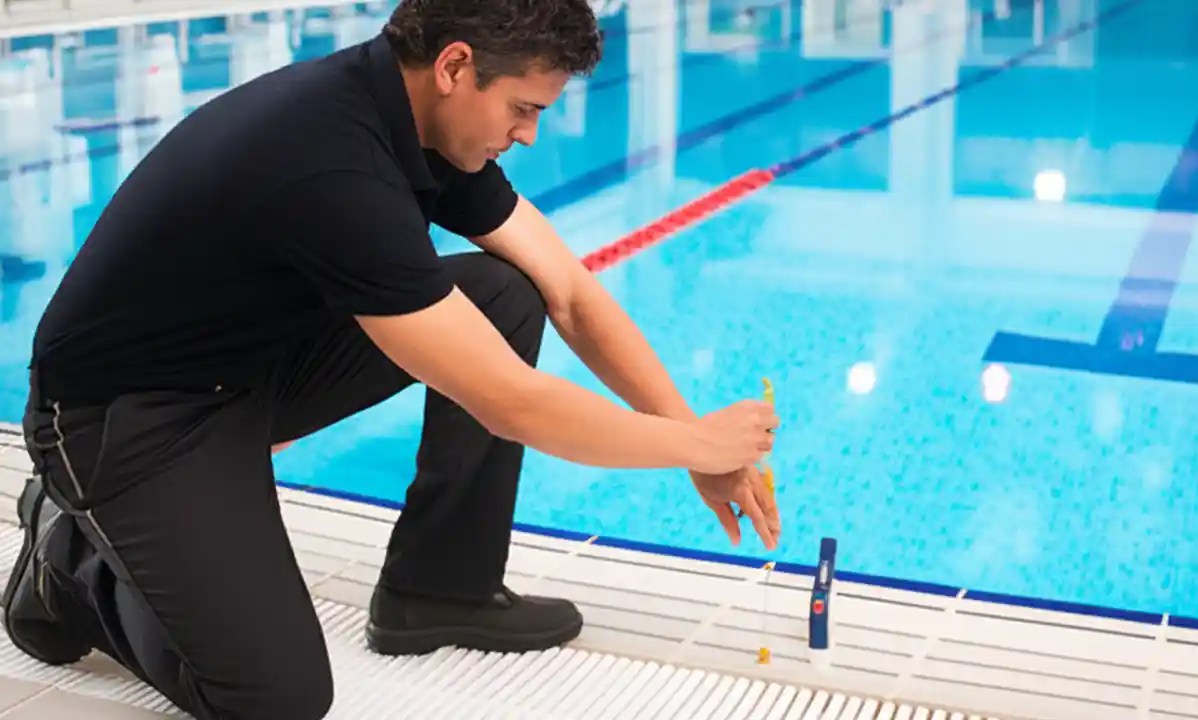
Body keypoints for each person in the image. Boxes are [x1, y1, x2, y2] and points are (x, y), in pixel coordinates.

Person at [3, 0, 781, 718]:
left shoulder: (414, 120)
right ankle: (67, 562)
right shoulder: (331, 161)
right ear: (455, 66)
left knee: (504, 293)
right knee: (275, 700)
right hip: (128, 416)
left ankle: (440, 588)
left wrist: (690, 431)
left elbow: (568, 292)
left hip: (247, 370)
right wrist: (693, 445)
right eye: (523, 109)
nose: (529, 135)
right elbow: (510, 403)